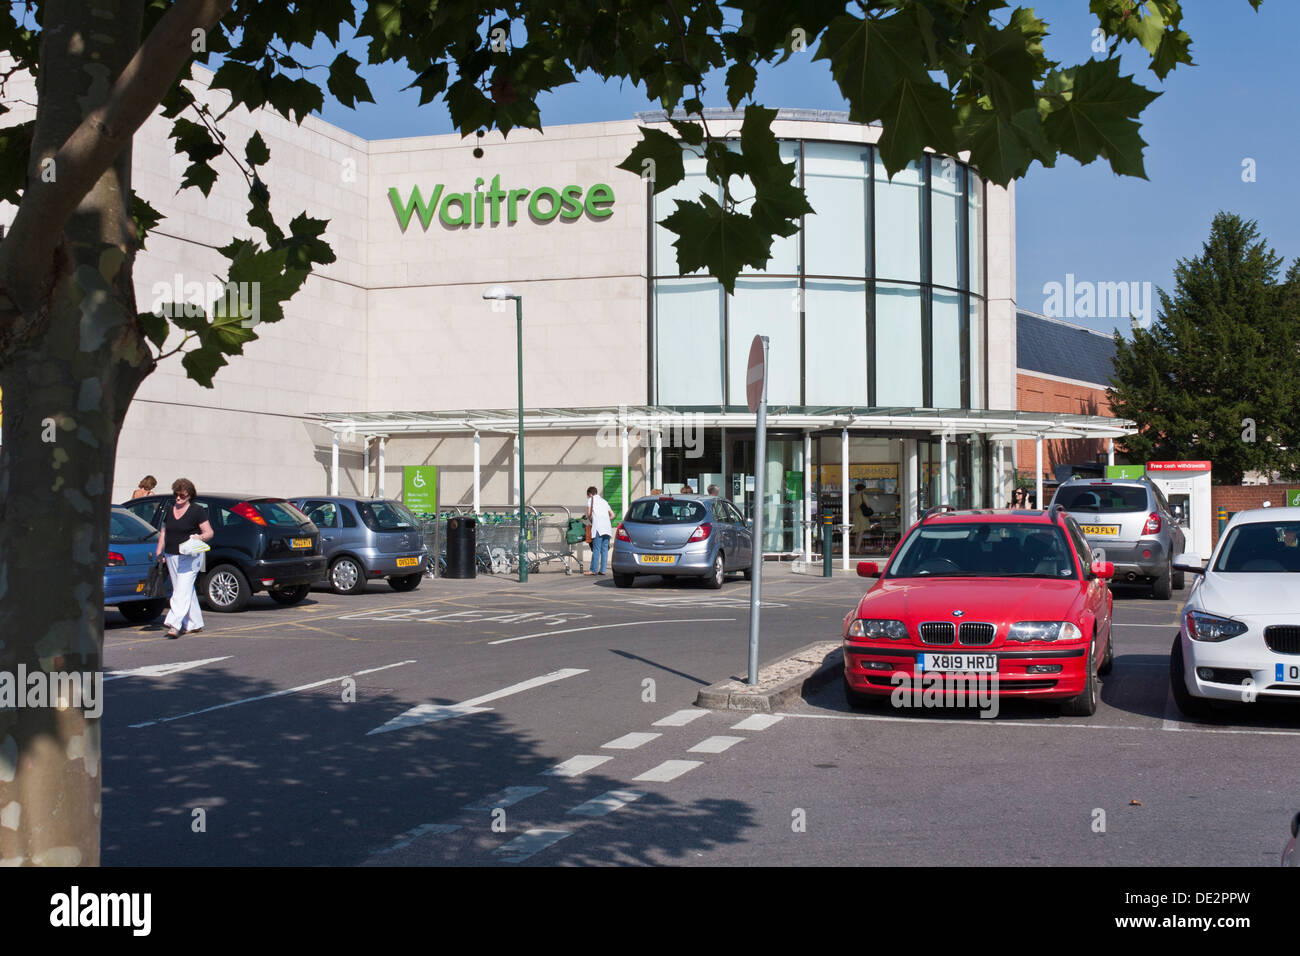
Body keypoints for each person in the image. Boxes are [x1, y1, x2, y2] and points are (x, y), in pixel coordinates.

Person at [155, 478, 214, 638]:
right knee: (184, 589)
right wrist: (159, 551)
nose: (178, 498)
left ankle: (174, 623)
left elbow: (209, 532)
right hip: (172, 554)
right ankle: (195, 623)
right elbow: (164, 531)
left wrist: (199, 537)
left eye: (182, 495)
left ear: (190, 496)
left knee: (182, 589)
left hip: (191, 556)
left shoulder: (197, 511)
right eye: (176, 494)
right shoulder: (170, 509)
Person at [586, 485, 615, 576]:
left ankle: (593, 570)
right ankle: (603, 570)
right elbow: (612, 515)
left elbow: (589, 514)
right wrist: (605, 520)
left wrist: (596, 521)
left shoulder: (591, 500)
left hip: (598, 528)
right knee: (605, 550)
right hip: (607, 528)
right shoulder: (604, 501)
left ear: (590, 494)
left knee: (596, 549)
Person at [850, 482, 874, 553]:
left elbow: (852, 507)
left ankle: (856, 549)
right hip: (862, 515)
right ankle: (857, 550)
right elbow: (868, 505)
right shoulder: (863, 496)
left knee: (857, 533)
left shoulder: (853, 497)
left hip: (855, 515)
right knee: (861, 533)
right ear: (863, 489)